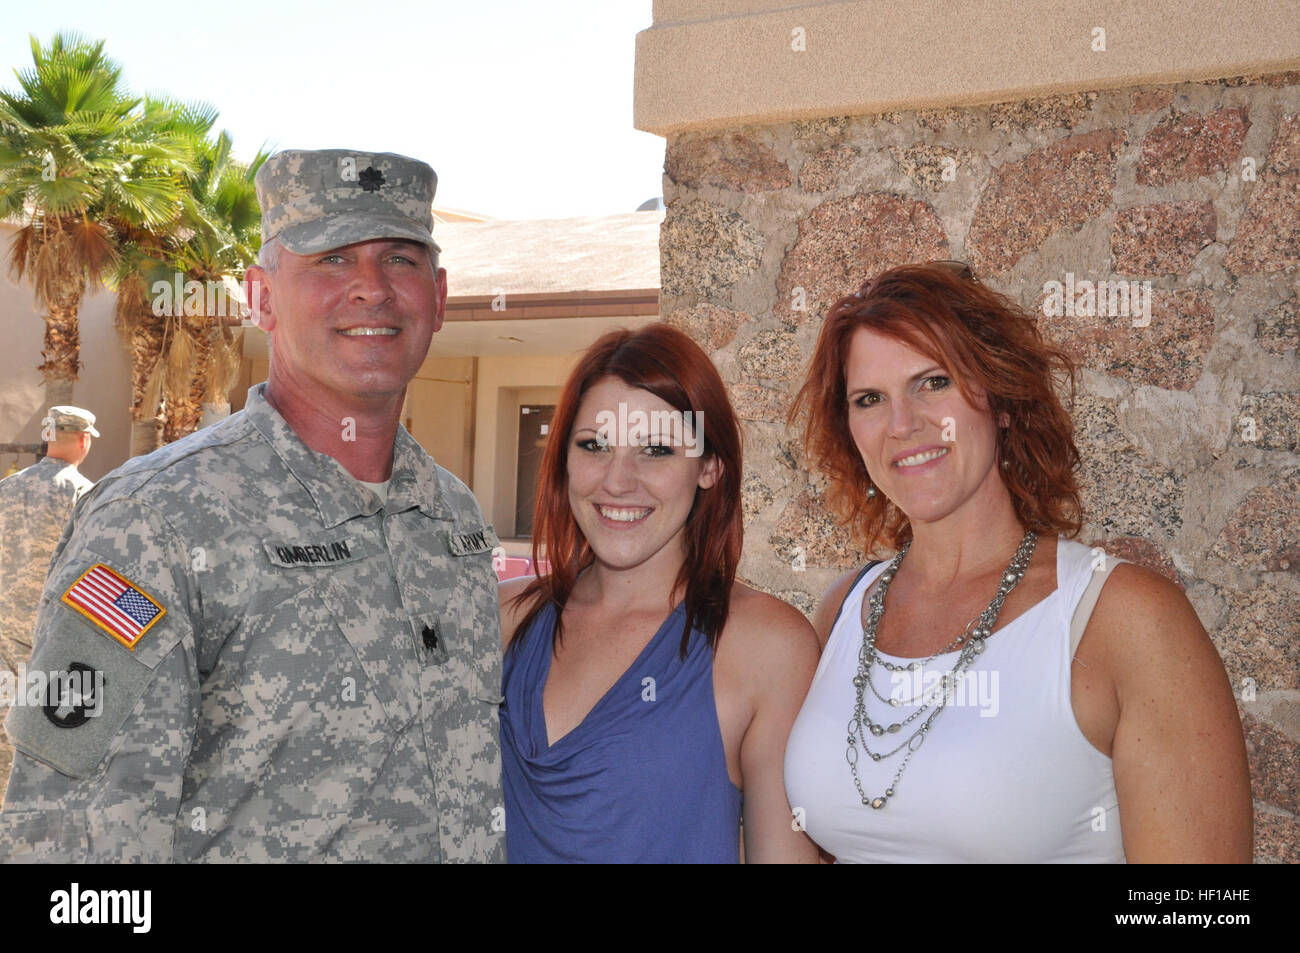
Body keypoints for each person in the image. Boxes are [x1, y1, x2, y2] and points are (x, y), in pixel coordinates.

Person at [0, 149, 504, 862]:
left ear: (440, 296)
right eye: (330, 259)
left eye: (399, 259)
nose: (371, 288)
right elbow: (64, 850)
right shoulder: (154, 519)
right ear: (261, 298)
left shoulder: (454, 520)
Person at [783, 261, 1252, 863]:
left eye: (933, 382)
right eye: (869, 399)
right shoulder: (844, 609)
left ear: (1001, 399)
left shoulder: (1124, 619)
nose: (903, 424)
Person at [498, 323, 820, 863]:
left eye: (657, 450)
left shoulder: (766, 647)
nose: (618, 481)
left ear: (710, 467)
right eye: (594, 445)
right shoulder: (503, 616)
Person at [0, 406, 97, 800]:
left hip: (4, 622)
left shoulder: (6, 488)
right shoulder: (83, 493)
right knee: (49, 722)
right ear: (82, 439)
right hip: (49, 628)